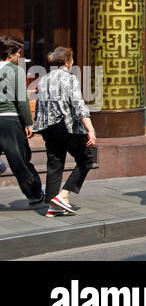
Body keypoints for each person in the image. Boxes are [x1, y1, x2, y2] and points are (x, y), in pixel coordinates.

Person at [33, 46, 97, 217]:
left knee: (55, 163)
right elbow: (78, 104)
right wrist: (90, 129)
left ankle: (53, 205)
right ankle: (63, 195)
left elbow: (40, 105)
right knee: (87, 159)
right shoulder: (69, 78)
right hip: (66, 125)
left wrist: (36, 125)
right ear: (69, 61)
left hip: (48, 127)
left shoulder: (44, 79)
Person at [0, 37, 43, 210]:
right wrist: (29, 123)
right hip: (10, 119)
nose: (19, 55)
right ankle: (34, 194)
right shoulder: (15, 71)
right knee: (20, 159)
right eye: (18, 52)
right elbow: (22, 100)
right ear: (9, 54)